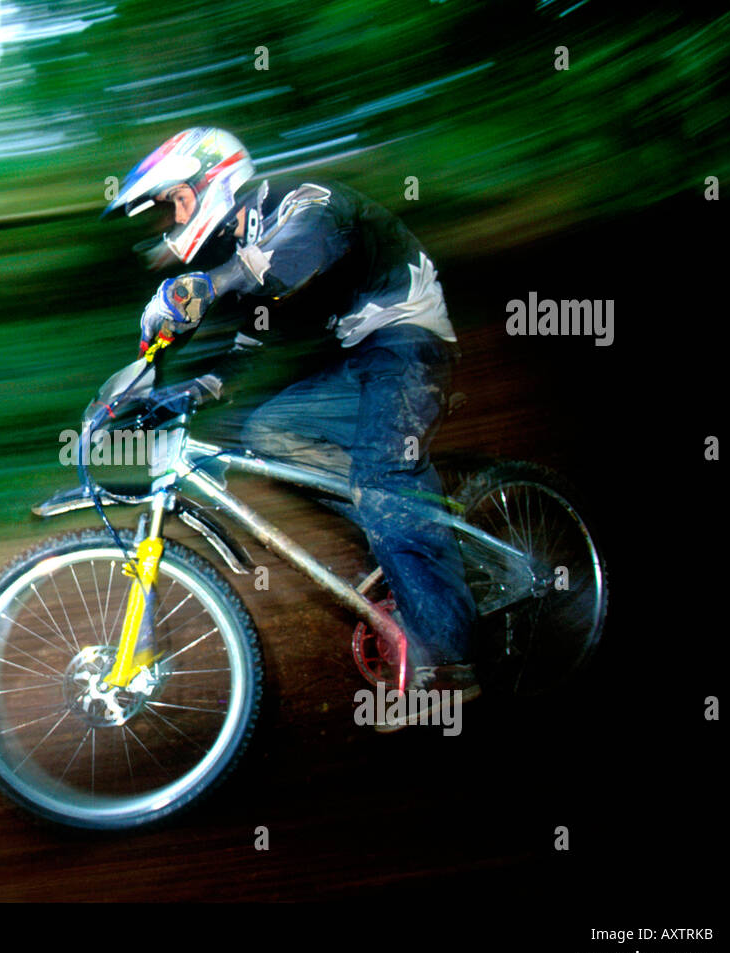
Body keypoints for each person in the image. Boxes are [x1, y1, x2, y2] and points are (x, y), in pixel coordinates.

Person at [103, 126, 479, 728]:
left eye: (174, 202)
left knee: (383, 482)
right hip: (358, 358)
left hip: (409, 341)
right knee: (268, 433)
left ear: (213, 180)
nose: (169, 222)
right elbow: (249, 349)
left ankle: (449, 666)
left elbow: (296, 256)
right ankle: (406, 527)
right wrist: (183, 393)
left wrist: (207, 284)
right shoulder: (242, 252)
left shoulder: (303, 200)